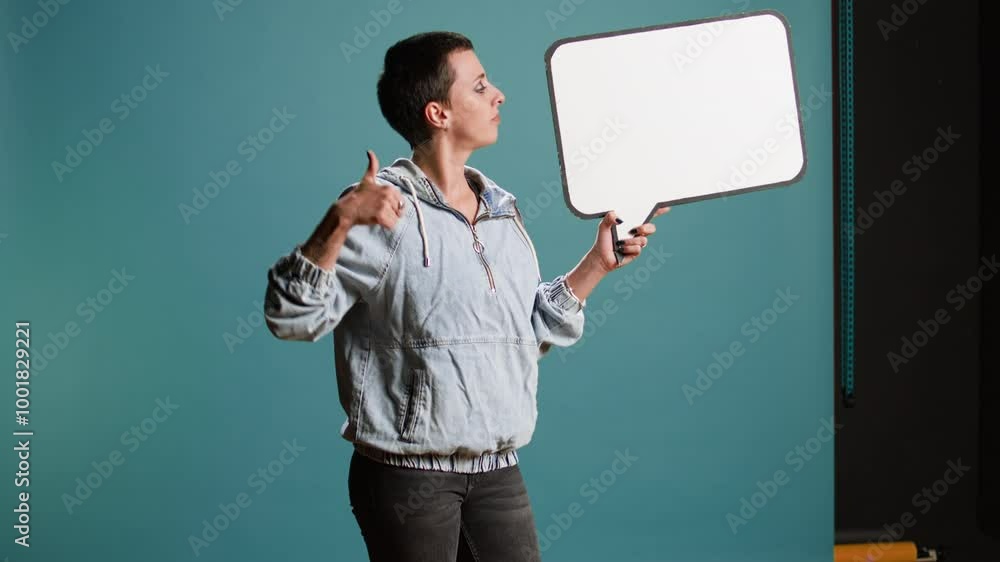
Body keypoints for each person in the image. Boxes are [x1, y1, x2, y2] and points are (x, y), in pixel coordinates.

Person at [263, 30, 669, 562]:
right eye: (479, 87)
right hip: (407, 476)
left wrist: (597, 264)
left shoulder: (501, 211)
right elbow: (292, 317)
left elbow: (520, 336)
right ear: (439, 113)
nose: (498, 95)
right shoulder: (383, 209)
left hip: (497, 469)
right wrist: (338, 221)